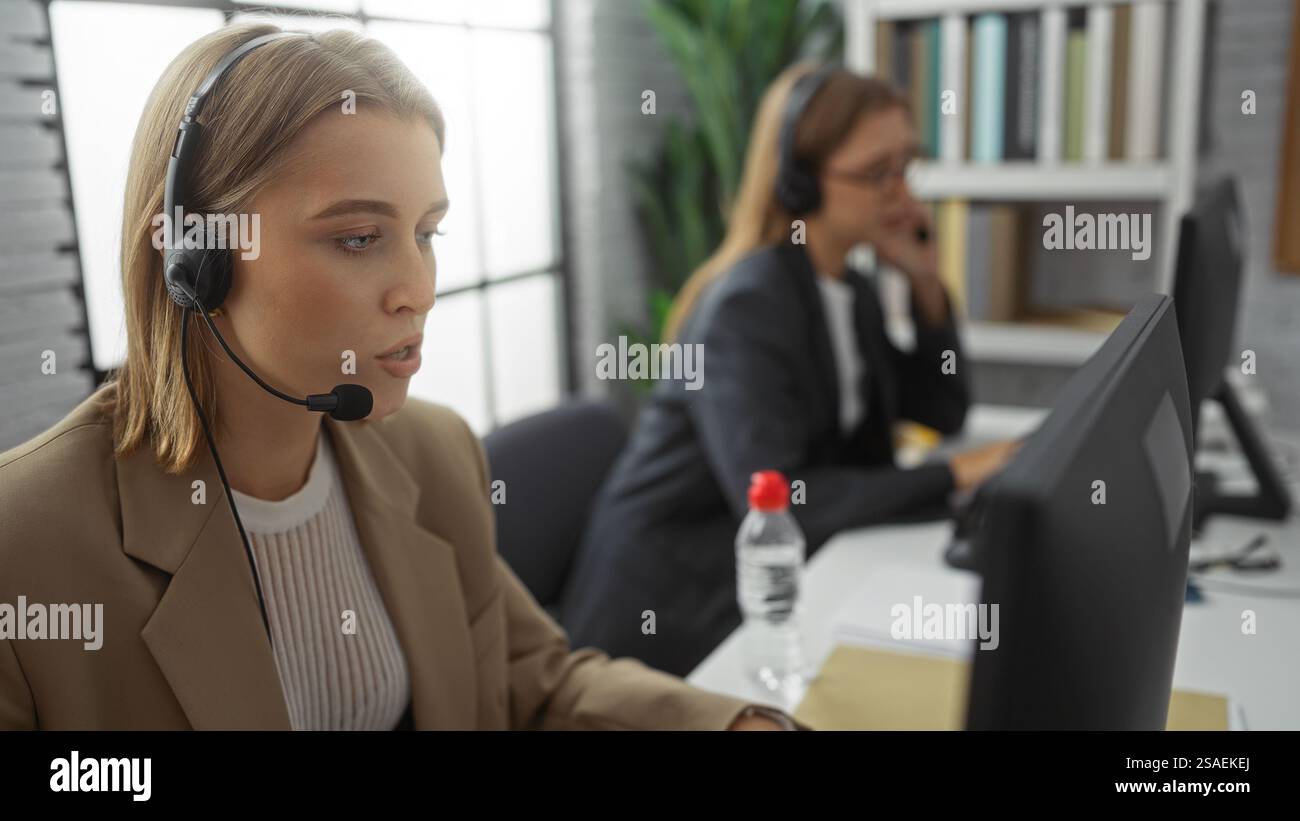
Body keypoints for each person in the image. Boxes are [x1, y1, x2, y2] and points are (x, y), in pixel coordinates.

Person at [0, 24, 798, 731]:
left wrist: (736, 726)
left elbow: (533, 681)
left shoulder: (433, 453)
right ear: (192, 257)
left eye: (427, 232)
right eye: (357, 237)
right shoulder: (25, 544)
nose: (417, 286)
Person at [561, 63, 1018, 677]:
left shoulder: (845, 288)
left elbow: (940, 409)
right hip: (673, 610)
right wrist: (955, 473)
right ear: (802, 183)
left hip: (772, 583)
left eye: (904, 167)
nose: (903, 194)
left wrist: (925, 282)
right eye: (876, 173)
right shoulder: (748, 307)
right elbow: (786, 499)